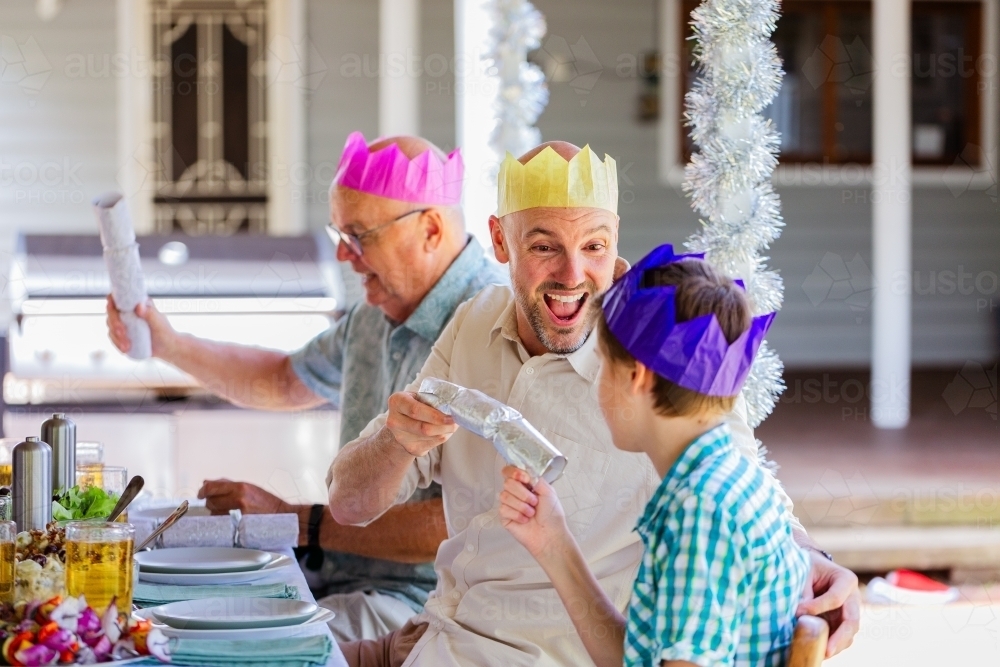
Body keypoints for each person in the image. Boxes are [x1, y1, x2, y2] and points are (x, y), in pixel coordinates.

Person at [328, 141, 859, 667]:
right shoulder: (474, 320)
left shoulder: (651, 357)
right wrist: (394, 440)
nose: (571, 273)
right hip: (435, 633)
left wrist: (811, 557)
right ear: (499, 241)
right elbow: (349, 506)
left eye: (595, 247)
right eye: (543, 247)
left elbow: (734, 482)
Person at [104, 132, 508, 641]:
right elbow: (282, 380)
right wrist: (167, 343)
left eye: (359, 235)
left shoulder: (495, 323)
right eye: (339, 234)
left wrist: (296, 520)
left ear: (430, 229)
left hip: (430, 607)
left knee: (221, 641)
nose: (344, 256)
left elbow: (461, 525)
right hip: (339, 577)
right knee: (158, 615)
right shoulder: (374, 315)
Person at [499, 245, 811, 666]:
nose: (596, 387)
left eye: (605, 366)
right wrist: (554, 543)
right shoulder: (726, 481)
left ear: (636, 377)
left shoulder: (699, 512)